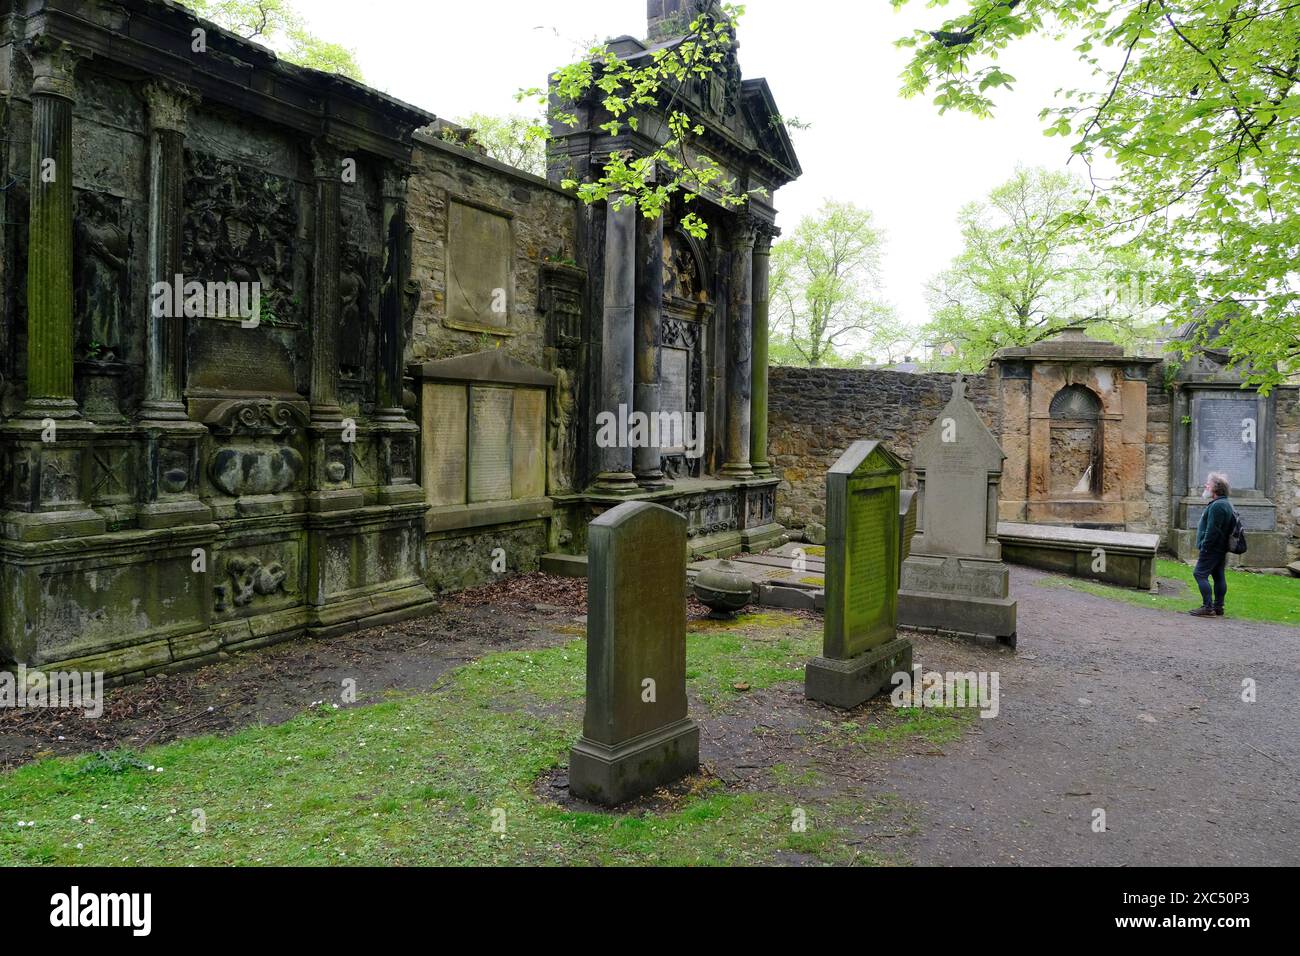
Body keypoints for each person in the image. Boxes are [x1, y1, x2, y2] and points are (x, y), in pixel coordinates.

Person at [1190, 472, 1234, 618]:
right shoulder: (1225, 503)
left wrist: (1205, 546)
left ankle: (1208, 607)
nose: (1205, 485)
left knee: (1199, 574)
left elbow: (1212, 530)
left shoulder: (1218, 506)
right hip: (1220, 548)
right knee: (1218, 575)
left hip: (1212, 548)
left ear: (1215, 488)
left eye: (1208, 484)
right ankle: (1218, 607)